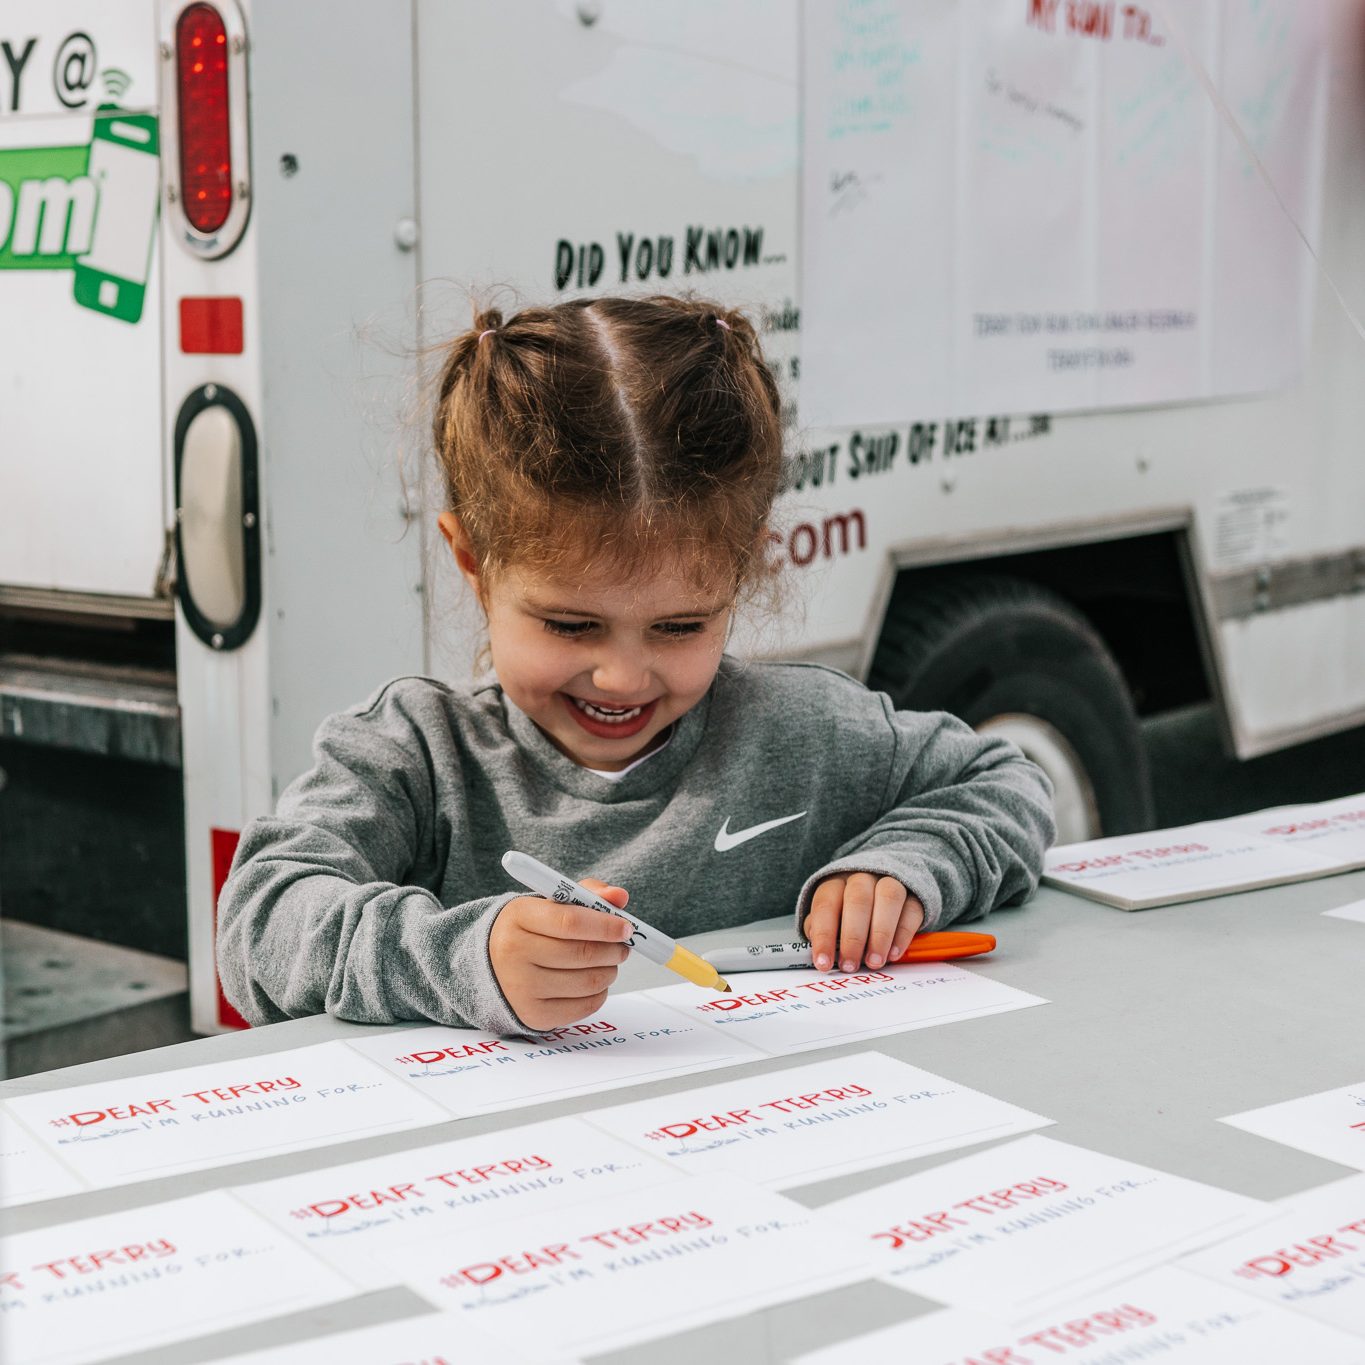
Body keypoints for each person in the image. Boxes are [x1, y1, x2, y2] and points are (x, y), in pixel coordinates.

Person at [219, 295, 1054, 1035]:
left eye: (680, 624)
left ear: (745, 574)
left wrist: (901, 867)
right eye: (572, 623)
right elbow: (259, 920)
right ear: (472, 563)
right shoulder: (415, 753)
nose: (621, 677)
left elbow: (1003, 781)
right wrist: (461, 956)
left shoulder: (803, 731)